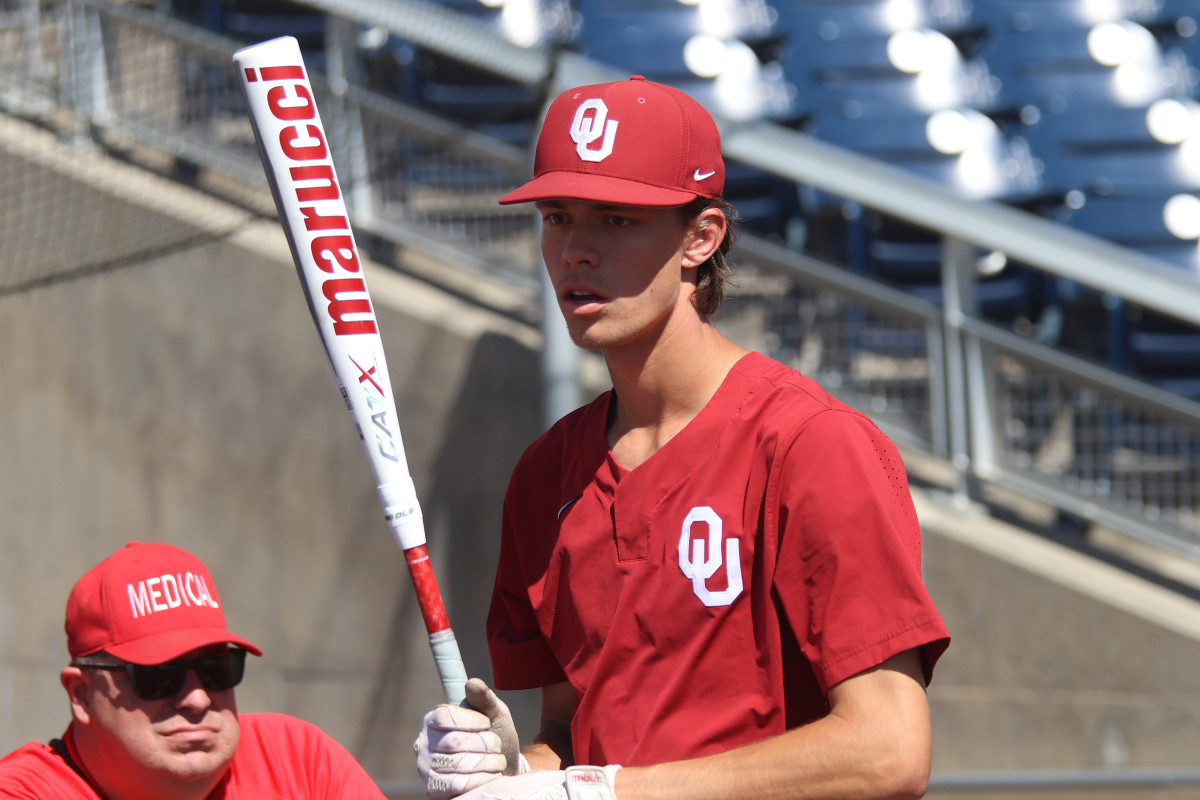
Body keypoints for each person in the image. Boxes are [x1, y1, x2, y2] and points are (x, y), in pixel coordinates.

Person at [414, 76, 951, 800]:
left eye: (616, 220)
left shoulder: (810, 444)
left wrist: (606, 794)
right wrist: (514, 773)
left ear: (701, 238)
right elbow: (572, 739)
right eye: (556, 216)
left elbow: (889, 751)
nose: (575, 250)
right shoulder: (545, 476)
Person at [0, 541, 389, 800]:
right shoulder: (24, 792)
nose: (198, 698)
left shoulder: (297, 759)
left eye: (216, 668)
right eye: (158, 675)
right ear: (82, 694)